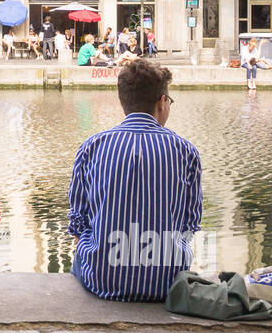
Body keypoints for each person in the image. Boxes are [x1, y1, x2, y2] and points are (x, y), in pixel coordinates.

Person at [66, 59, 202, 301]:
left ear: (123, 101)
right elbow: (189, 223)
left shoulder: (92, 147)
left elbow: (78, 223)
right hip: (166, 281)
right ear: (162, 102)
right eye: (169, 100)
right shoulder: (185, 151)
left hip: (101, 279)